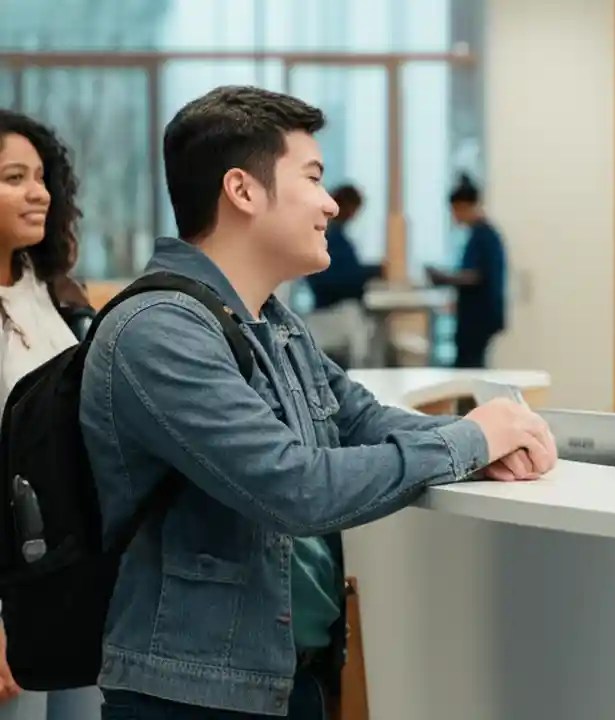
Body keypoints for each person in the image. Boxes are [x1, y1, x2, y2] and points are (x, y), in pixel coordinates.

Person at [79, 86, 556, 719]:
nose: (331, 203)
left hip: (286, 680)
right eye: (313, 177)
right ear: (243, 191)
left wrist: (478, 446)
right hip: (193, 695)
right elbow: (296, 486)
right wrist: (471, 440)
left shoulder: (272, 321)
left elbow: (358, 418)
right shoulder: (160, 330)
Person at [0, 110, 102, 720]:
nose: (38, 192)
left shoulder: (56, 293)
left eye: (41, 177)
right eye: (14, 177)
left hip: (70, 576)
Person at [427, 175, 507, 368]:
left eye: (455, 211)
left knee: (469, 368)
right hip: (476, 314)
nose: (454, 217)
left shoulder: (483, 236)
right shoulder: (480, 234)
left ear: (464, 206)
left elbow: (475, 276)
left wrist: (444, 278)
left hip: (478, 317)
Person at [304, 184, 381, 311]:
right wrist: (371, 273)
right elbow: (335, 279)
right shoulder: (327, 237)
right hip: (332, 309)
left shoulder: (334, 236)